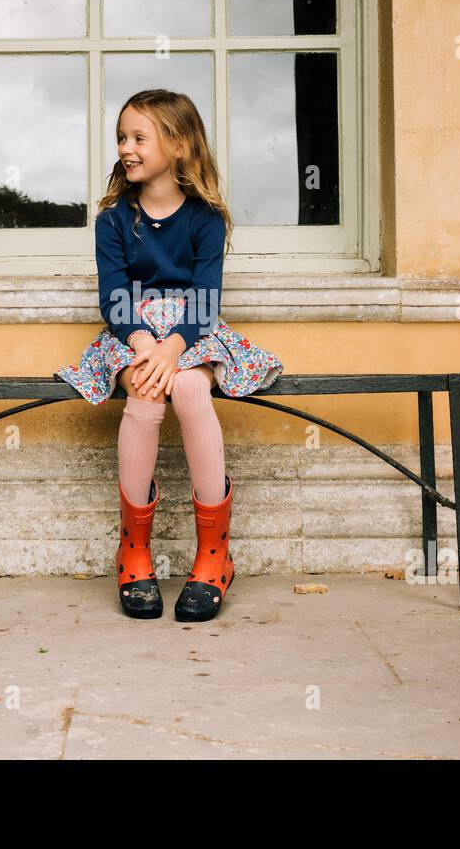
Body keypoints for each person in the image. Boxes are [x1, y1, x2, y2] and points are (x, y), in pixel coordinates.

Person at [53, 89, 284, 621]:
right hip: (132, 330)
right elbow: (113, 294)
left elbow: (206, 295)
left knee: (186, 384)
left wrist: (174, 347)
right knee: (147, 388)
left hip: (191, 329)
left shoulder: (205, 218)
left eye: (139, 138)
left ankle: (214, 554)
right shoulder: (113, 220)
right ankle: (133, 551)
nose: (126, 148)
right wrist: (143, 346)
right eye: (122, 138)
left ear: (178, 145)